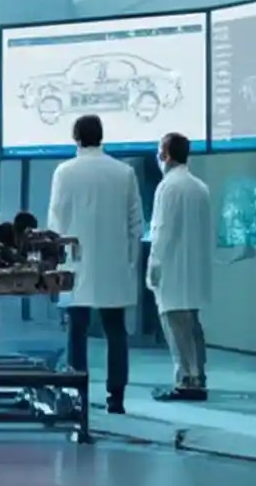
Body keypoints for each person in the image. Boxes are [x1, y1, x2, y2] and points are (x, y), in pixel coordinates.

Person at [47, 115, 143, 414]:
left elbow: (56, 222)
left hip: (77, 263)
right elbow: (135, 223)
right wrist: (128, 260)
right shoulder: (124, 172)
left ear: (76, 137)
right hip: (114, 263)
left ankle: (78, 396)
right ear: (102, 136)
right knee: (116, 330)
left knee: (77, 328)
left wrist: (56, 262)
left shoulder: (65, 172)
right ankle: (116, 398)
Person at [146, 133, 211, 401]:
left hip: (172, 269)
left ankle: (186, 380)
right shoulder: (200, 187)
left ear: (167, 154)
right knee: (192, 326)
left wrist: (154, 265)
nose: (159, 156)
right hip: (194, 269)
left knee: (176, 326)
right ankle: (198, 376)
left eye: (160, 150)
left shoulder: (168, 187)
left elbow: (161, 230)